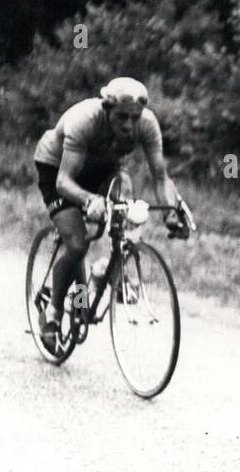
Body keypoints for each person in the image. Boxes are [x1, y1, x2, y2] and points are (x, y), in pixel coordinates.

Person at [32, 76, 186, 352]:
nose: (129, 125)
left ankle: (107, 269)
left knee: (126, 201)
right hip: (58, 169)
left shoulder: (147, 124)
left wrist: (172, 212)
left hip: (102, 168)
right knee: (77, 243)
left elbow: (160, 177)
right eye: (121, 117)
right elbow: (64, 182)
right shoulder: (85, 120)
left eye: (134, 117)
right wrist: (90, 199)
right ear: (107, 109)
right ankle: (53, 315)